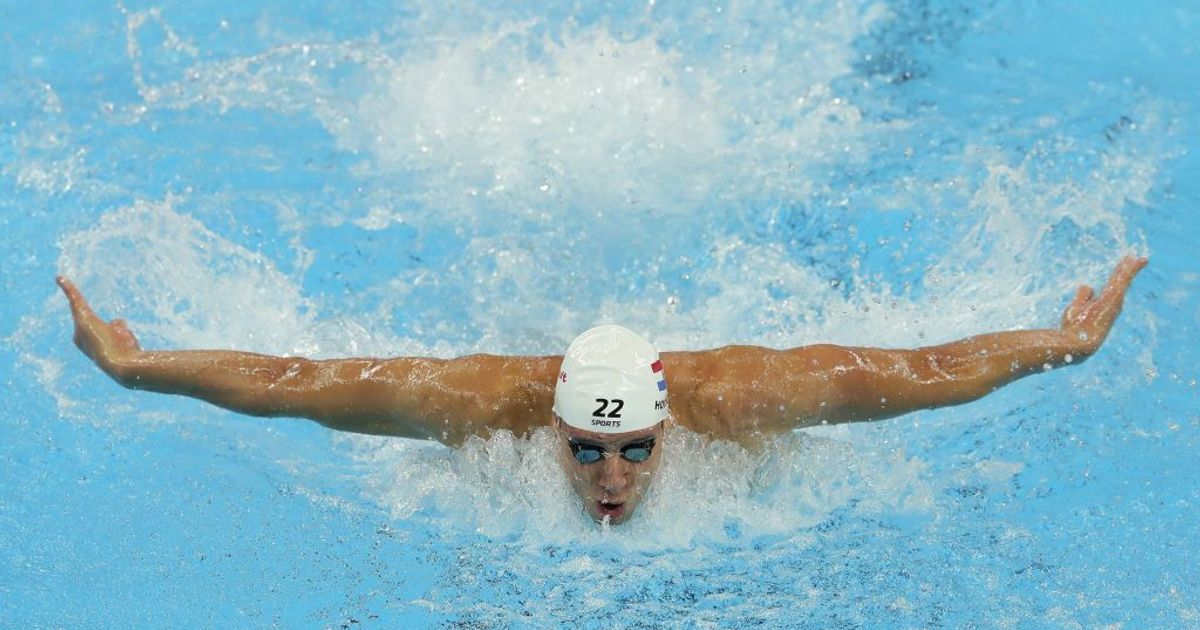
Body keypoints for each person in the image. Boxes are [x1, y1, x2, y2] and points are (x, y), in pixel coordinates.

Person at [57, 256, 1148, 524]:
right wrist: (139, 366)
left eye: (633, 450)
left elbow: (926, 373)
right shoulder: (478, 403)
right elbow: (297, 382)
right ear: (553, 424)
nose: (611, 480)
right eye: (585, 450)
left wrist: (1065, 344)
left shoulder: (747, 397)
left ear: (671, 420)